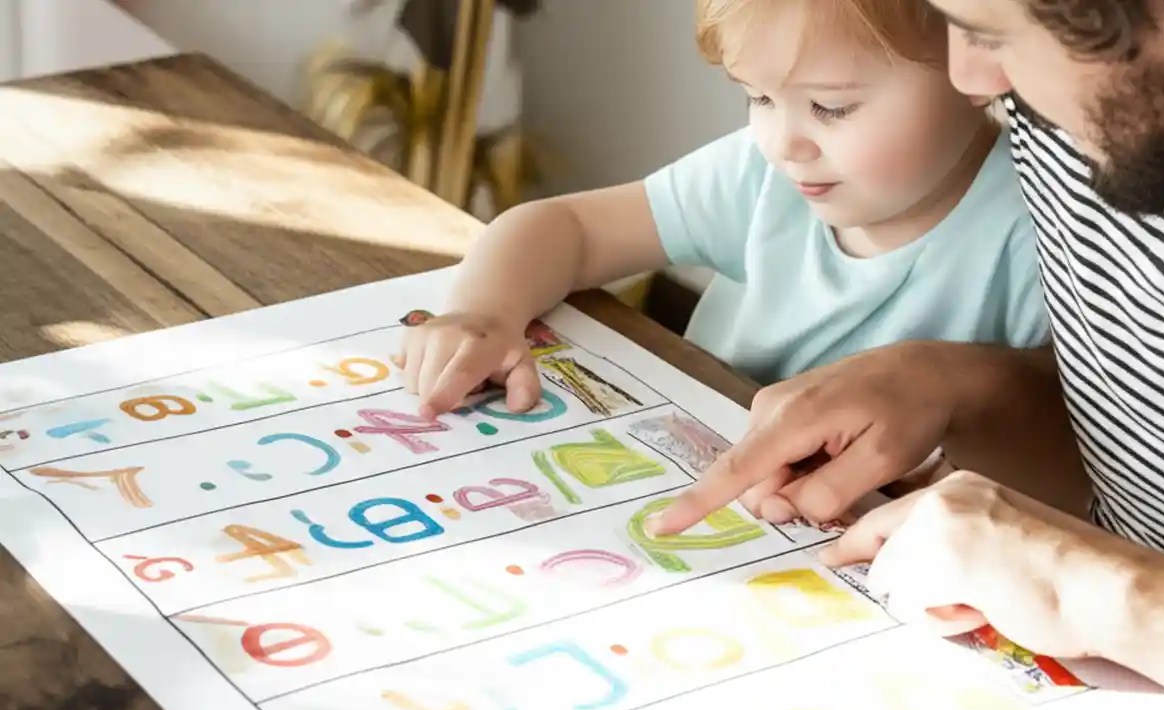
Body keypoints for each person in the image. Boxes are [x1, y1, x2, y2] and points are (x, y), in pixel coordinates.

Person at [648, 2, 1164, 710]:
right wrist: (953, 384)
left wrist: (1096, 587)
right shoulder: (1075, 121)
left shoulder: (1101, 102)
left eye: (994, 34)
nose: (971, 81)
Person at [395, 0, 1049, 421]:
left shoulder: (1037, 240)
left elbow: (1062, 456)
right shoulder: (760, 175)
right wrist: (485, 312)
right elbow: (566, 227)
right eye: (758, 98)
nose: (784, 142)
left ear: (980, 58)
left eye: (832, 107)